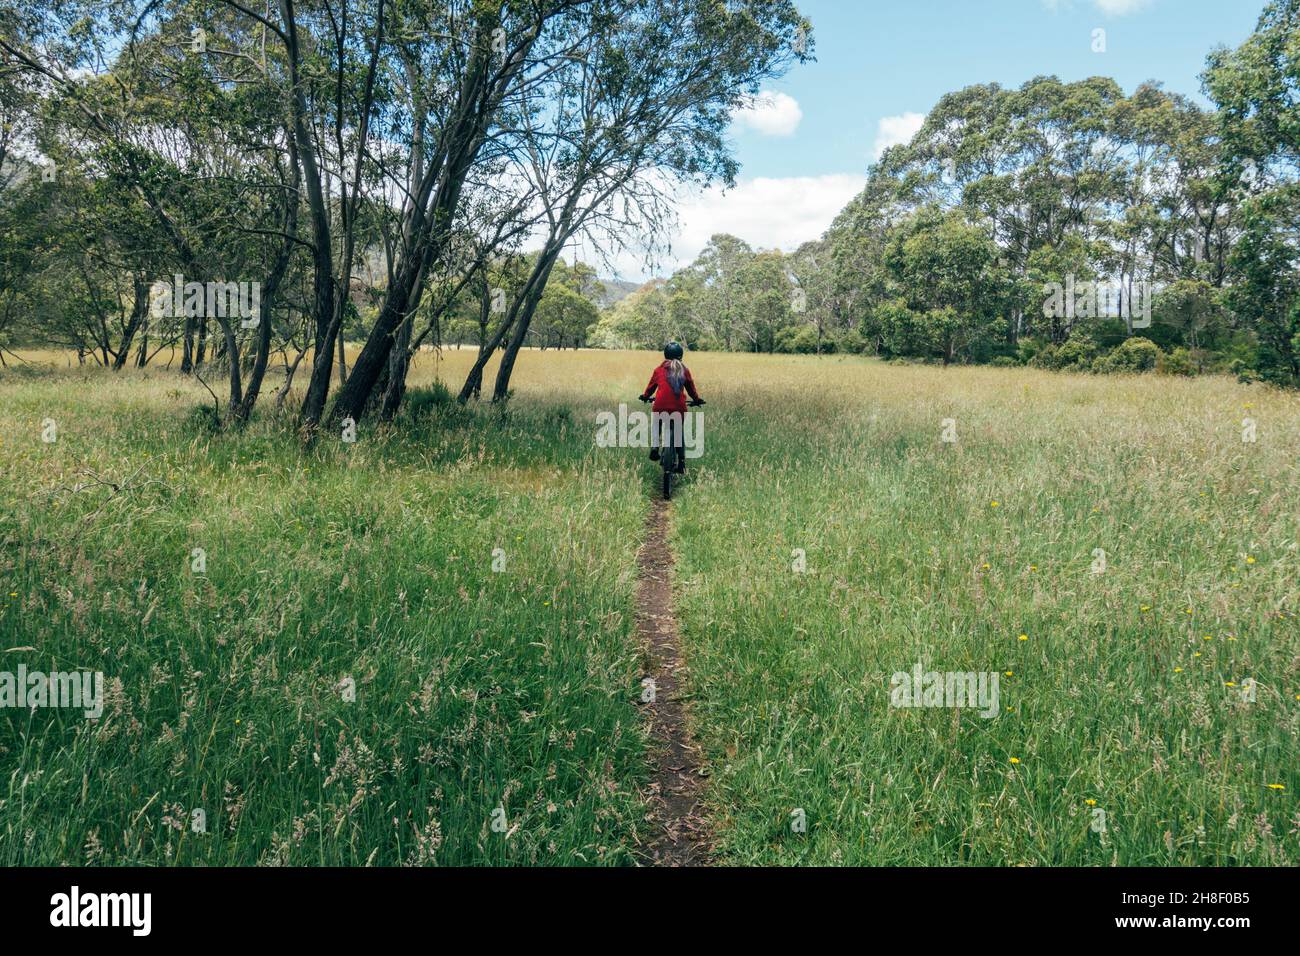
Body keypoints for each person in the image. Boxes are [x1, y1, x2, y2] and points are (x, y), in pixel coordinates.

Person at [639, 341, 705, 473]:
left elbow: (651, 387)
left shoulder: (658, 370)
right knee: (679, 432)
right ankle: (681, 463)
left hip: (660, 406)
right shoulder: (684, 370)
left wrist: (645, 396)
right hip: (678, 407)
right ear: (681, 355)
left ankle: (655, 448)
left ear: (665, 355)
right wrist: (697, 400)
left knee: (657, 424)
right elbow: (691, 389)